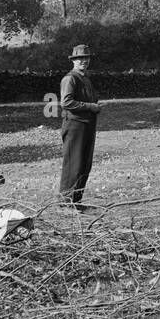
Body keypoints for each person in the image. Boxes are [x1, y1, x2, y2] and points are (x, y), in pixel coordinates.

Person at [59, 43, 106, 209]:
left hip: (87, 125)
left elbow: (89, 100)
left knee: (84, 165)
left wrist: (96, 105)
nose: (84, 61)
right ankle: (65, 204)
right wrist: (90, 107)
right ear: (73, 60)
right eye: (80, 58)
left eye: (86, 58)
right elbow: (66, 102)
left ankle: (76, 202)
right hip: (74, 126)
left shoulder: (85, 79)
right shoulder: (70, 78)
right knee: (73, 164)